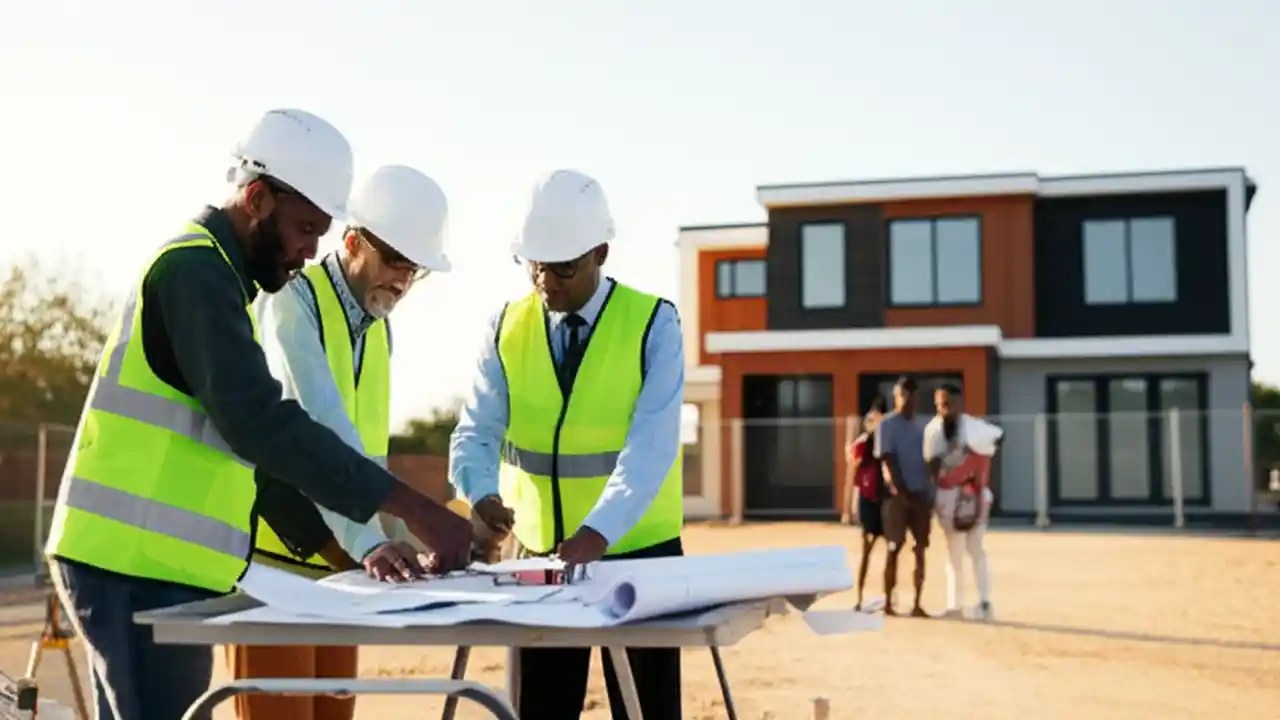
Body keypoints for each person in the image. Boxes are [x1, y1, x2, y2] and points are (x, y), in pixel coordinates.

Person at [42, 109, 473, 720]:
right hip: (127, 566)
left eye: (321, 232)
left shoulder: (228, 286)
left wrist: (356, 546)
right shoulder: (194, 272)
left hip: (163, 569)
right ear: (256, 198)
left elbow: (256, 458)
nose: (310, 249)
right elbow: (261, 423)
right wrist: (419, 509)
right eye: (304, 228)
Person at [449, 169, 685, 719]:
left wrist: (598, 532)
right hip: (539, 560)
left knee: (647, 711)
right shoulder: (505, 326)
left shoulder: (654, 324)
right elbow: (476, 430)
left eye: (562, 267)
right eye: (534, 265)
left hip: (639, 558)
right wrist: (480, 493)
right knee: (540, 710)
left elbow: (651, 445)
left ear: (601, 252)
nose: (545, 281)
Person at [223, 164, 455, 720]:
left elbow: (364, 452)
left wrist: (395, 539)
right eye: (395, 261)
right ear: (353, 242)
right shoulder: (291, 302)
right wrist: (375, 541)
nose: (402, 281)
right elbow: (318, 427)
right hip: (279, 565)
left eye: (415, 269)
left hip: (344, 565)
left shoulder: (378, 329)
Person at [925, 383, 1003, 621]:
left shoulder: (974, 427)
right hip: (948, 498)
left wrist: (979, 462)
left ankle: (984, 603)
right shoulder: (933, 430)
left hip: (975, 496)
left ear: (959, 403)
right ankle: (955, 605)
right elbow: (930, 465)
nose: (944, 409)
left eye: (948, 404)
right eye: (940, 404)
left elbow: (999, 437)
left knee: (976, 549)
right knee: (954, 554)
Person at [874, 376, 934, 618]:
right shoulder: (887, 425)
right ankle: (888, 602)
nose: (906, 401)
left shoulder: (926, 425)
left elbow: (931, 459)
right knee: (893, 547)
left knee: (920, 549)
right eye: (902, 395)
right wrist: (901, 491)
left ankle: (917, 603)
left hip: (921, 496)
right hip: (897, 498)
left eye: (910, 396)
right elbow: (887, 461)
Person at [846, 396, 888, 612]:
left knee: (891, 551)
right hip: (868, 499)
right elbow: (854, 471)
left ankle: (887, 596)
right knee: (866, 551)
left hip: (884, 500)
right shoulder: (862, 444)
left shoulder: (887, 441)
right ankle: (860, 597)